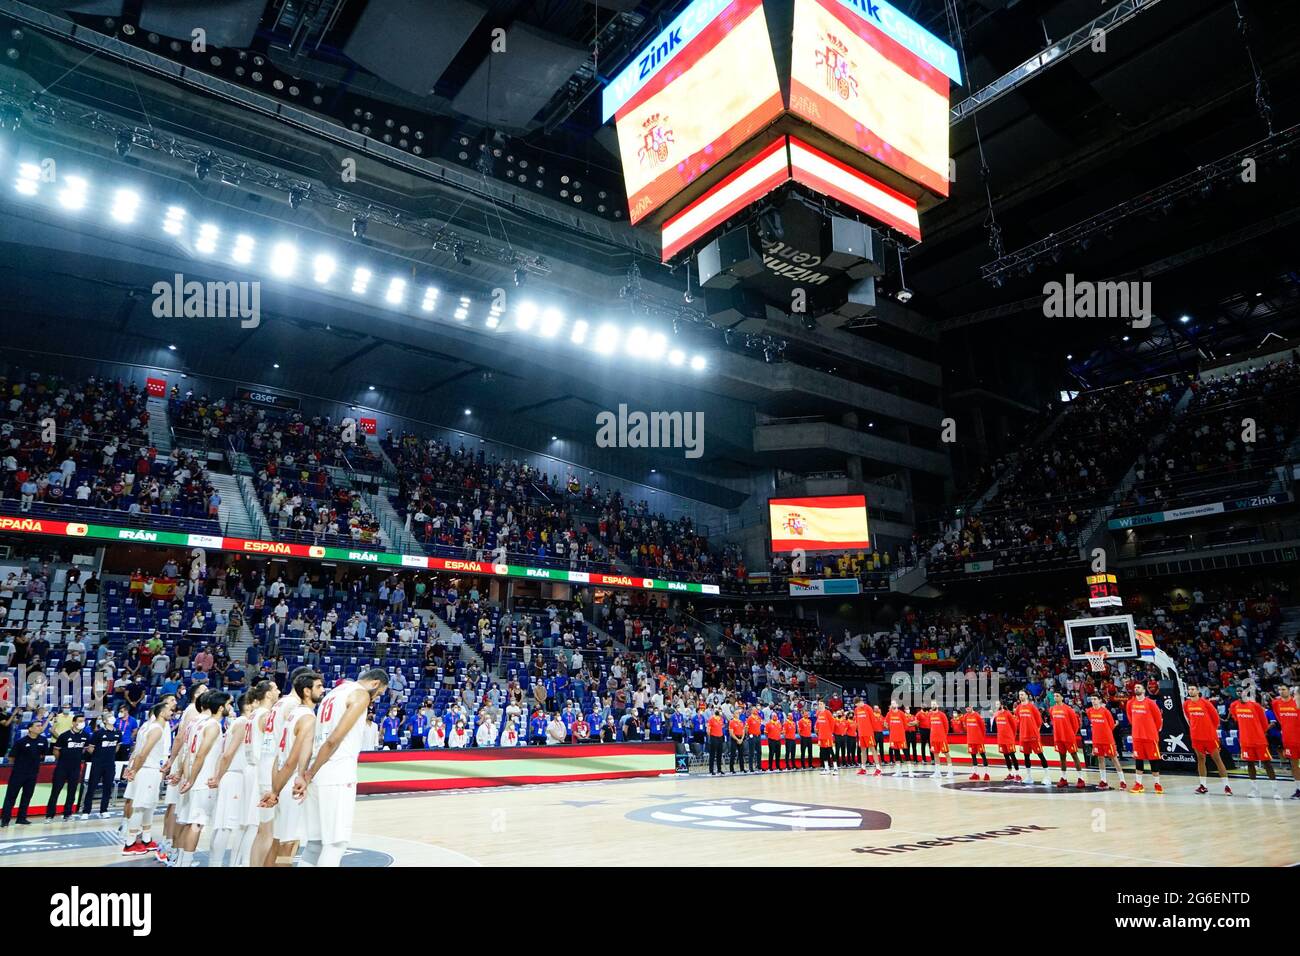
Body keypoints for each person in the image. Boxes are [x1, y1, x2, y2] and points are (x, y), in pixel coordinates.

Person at [296, 668, 389, 867]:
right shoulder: (360, 694)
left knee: (315, 844)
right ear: (374, 684)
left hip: (318, 770)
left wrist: (307, 773)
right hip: (336, 771)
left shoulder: (333, 693)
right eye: (379, 692)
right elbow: (334, 739)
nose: (377, 698)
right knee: (336, 844)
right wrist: (310, 773)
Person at [262, 671, 323, 866]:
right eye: (319, 687)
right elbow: (291, 761)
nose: (323, 690)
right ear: (307, 691)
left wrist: (274, 789)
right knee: (288, 846)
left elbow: (278, 757)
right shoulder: (307, 718)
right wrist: (276, 790)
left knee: (277, 842)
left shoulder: (293, 714)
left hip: (281, 781)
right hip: (292, 786)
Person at [174, 691, 233, 867]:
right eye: (229, 704)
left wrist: (183, 775)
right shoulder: (213, 725)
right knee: (197, 824)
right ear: (221, 707)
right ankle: (186, 862)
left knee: (188, 823)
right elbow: (200, 755)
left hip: (191, 776)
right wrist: (191, 779)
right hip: (201, 779)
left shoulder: (194, 722)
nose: (230, 707)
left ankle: (180, 861)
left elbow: (185, 751)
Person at [121, 699, 176, 854]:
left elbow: (136, 750)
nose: (172, 712)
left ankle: (146, 839)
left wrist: (131, 766)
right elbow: (143, 752)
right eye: (169, 709)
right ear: (161, 712)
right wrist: (134, 770)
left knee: (149, 806)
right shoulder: (157, 729)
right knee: (140, 806)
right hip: (147, 769)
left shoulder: (147, 726)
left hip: (147, 769)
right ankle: (130, 843)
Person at [207, 692, 254, 867]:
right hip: (233, 776)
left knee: (228, 825)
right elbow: (227, 755)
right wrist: (218, 777)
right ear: (248, 705)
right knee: (226, 826)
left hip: (232, 776)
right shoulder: (242, 723)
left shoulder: (238, 723)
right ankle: (216, 863)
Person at [1229, 686, 1279, 799]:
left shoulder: (1255, 706)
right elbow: (1236, 719)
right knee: (1250, 764)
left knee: (1267, 764)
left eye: (1241, 691)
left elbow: (1264, 723)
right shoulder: (1234, 705)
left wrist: (1259, 732)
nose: (1239, 693)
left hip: (1259, 740)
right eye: (1238, 691)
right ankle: (1255, 790)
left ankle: (1275, 791)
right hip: (1245, 741)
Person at [1182, 685, 1231, 795]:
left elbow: (1216, 719)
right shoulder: (1186, 704)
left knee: (1217, 760)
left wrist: (1210, 730)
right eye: (1189, 689)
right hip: (1196, 737)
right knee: (1200, 759)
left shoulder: (1206, 703)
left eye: (1193, 689)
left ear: (1198, 691)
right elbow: (1189, 718)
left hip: (1209, 736)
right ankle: (1203, 786)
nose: (1190, 691)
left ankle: (1227, 786)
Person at [2, 720, 49, 827]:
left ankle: (21, 818)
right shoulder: (21, 742)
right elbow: (11, 757)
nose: (40, 727)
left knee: (27, 796)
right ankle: (5, 820)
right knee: (11, 796)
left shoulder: (43, 740)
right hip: (18, 773)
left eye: (41, 726)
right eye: (37, 726)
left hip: (32, 773)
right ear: (30, 729)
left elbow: (42, 755)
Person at [46, 712, 90, 821]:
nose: (82, 723)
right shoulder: (64, 736)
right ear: (74, 722)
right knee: (56, 791)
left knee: (72, 791)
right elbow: (56, 750)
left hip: (75, 768)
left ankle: (67, 814)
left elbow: (86, 749)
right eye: (79, 721)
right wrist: (62, 760)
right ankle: (50, 815)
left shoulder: (85, 736)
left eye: (83, 721)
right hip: (62, 767)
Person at [80, 714, 123, 818]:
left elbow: (117, 746)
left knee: (108, 787)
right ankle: (86, 811)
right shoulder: (98, 733)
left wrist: (110, 754)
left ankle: (104, 810)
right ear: (104, 721)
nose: (112, 718)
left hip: (110, 764)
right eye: (109, 716)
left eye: (112, 716)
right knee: (92, 786)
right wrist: (98, 756)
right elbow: (90, 748)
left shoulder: (118, 732)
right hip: (98, 763)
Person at [1125, 683, 1164, 795]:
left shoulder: (1150, 703)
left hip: (1150, 737)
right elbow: (1130, 718)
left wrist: (1152, 730)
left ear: (1144, 690)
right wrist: (1138, 729)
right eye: (1135, 687)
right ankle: (1138, 784)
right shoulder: (1130, 703)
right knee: (1138, 760)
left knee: (1154, 760)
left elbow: (1158, 719)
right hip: (1137, 737)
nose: (1136, 688)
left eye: (1138, 687)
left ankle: (1157, 784)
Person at [1085, 695, 1127, 791]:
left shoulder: (1105, 711)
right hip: (1096, 740)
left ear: (1100, 700)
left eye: (1095, 699)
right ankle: (1103, 781)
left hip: (1107, 739)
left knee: (1114, 759)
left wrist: (1105, 732)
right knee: (1100, 760)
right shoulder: (1089, 711)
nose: (1093, 701)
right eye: (1092, 699)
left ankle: (1123, 781)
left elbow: (1112, 725)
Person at [1049, 693, 1086, 788]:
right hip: (1058, 737)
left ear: (1061, 697)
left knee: (1074, 756)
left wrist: (1071, 734)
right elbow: (1053, 722)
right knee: (1062, 758)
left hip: (1069, 737)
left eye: (1057, 696)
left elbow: (1076, 724)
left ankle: (1081, 778)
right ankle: (1063, 778)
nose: (1055, 697)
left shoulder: (1068, 709)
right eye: (1054, 696)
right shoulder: (1052, 709)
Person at [1269, 685, 1300, 799]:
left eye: (1284, 689)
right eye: (1279, 690)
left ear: (1290, 691)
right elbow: (1280, 719)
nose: (1281, 692)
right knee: (1294, 766)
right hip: (1289, 740)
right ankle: (1298, 789)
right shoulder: (1276, 704)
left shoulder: (1296, 702)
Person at [1014, 690, 1050, 785]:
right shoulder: (1018, 708)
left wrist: (1034, 731)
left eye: (1022, 694)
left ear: (1027, 696)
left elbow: (1039, 721)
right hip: (1023, 736)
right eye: (1019, 695)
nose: (1020, 696)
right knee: (1026, 756)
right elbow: (1017, 721)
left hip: (1033, 736)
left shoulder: (1032, 707)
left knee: (1040, 755)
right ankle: (1029, 777)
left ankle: (1047, 777)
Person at [993, 701, 1021, 781]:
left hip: (1009, 739)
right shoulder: (996, 715)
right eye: (996, 704)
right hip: (1001, 739)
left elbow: (1014, 726)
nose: (996, 706)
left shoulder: (1008, 713)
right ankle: (1010, 773)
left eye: (998, 704)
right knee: (1006, 757)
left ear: (1001, 705)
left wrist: (1012, 736)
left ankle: (1017, 774)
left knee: (1012, 756)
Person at [961, 706, 990, 781]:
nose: (967, 710)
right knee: (973, 756)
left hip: (978, 740)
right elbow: (964, 725)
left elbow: (983, 727)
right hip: (970, 740)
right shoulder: (965, 716)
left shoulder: (977, 715)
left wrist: (982, 738)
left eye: (968, 708)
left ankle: (986, 774)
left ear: (972, 707)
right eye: (966, 709)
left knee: (983, 755)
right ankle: (975, 773)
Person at [927, 704, 953, 779]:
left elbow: (946, 726)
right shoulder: (930, 715)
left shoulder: (942, 715)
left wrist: (944, 736)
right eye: (932, 705)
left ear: (937, 705)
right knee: (935, 755)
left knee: (946, 754)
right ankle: (937, 773)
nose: (933, 706)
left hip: (942, 738)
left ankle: (950, 772)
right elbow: (930, 726)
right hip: (933, 738)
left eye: (934, 704)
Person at [885, 701, 910, 776]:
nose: (893, 705)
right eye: (892, 704)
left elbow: (906, 725)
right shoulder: (889, 713)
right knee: (896, 754)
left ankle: (910, 771)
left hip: (901, 737)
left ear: (897, 705)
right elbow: (886, 723)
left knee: (906, 754)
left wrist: (900, 731)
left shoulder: (901, 713)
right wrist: (890, 728)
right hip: (893, 737)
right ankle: (898, 772)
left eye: (894, 703)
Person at [816, 701, 838, 775]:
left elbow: (833, 722)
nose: (820, 705)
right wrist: (819, 736)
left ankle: (835, 768)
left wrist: (830, 732)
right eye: (819, 704)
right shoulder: (818, 713)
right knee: (823, 752)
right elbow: (818, 725)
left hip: (827, 736)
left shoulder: (827, 712)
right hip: (821, 736)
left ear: (824, 705)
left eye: (821, 704)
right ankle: (826, 768)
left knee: (831, 751)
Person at [707, 708, 725, 775]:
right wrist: (710, 736)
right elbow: (708, 729)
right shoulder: (711, 719)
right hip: (713, 737)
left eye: (720, 711)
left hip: (720, 737)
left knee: (719, 754)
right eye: (718, 711)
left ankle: (719, 769)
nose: (719, 712)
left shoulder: (721, 719)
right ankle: (711, 770)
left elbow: (721, 727)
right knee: (712, 754)